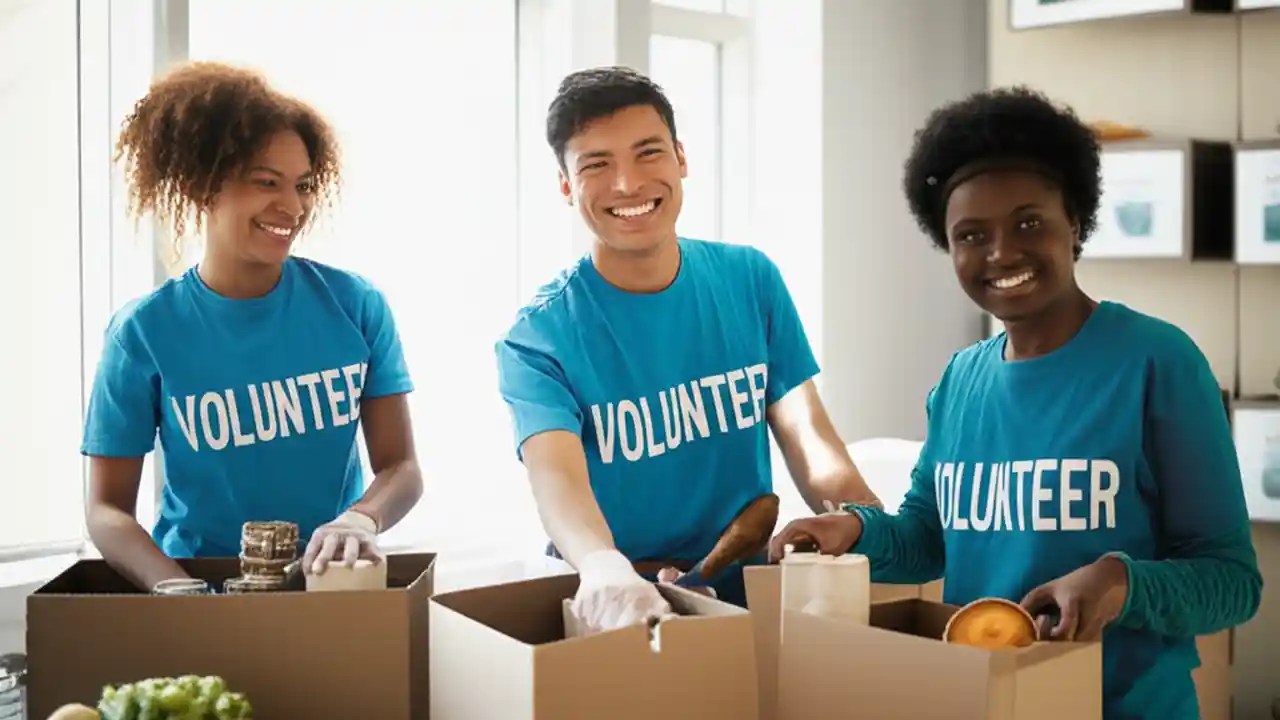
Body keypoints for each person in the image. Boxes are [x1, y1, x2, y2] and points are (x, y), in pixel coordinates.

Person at [769, 87, 1262, 719]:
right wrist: (856, 531)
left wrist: (1120, 582)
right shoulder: (960, 380)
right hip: (983, 703)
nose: (1001, 253)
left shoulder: (1157, 363)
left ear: (1074, 223)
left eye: (1028, 223)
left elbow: (1232, 581)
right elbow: (929, 538)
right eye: (972, 235)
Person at [495, 66, 880, 634]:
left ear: (680, 158)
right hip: (618, 608)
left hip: (748, 594)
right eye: (596, 164)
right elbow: (559, 485)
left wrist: (882, 532)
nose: (627, 184)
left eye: (647, 153)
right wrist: (603, 567)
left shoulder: (750, 280)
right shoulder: (537, 338)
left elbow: (815, 450)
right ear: (566, 186)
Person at [82, 61, 424, 591]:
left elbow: (401, 467)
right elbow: (107, 509)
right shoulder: (142, 334)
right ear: (202, 187)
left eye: (303, 185)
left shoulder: (356, 305)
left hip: (330, 584)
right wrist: (175, 588)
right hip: (197, 584)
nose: (292, 207)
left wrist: (361, 519)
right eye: (266, 182)